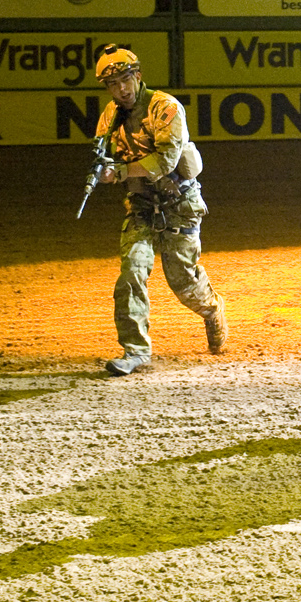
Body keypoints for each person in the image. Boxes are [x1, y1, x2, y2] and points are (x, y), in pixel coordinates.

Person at [90, 46, 228, 377]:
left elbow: (166, 161)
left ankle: (211, 310)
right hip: (141, 205)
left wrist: (120, 173)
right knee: (132, 271)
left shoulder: (165, 107)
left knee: (182, 282)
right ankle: (135, 350)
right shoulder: (110, 117)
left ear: (137, 76)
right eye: (112, 85)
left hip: (178, 203)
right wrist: (101, 167)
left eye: (124, 80)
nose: (120, 90)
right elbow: (104, 152)